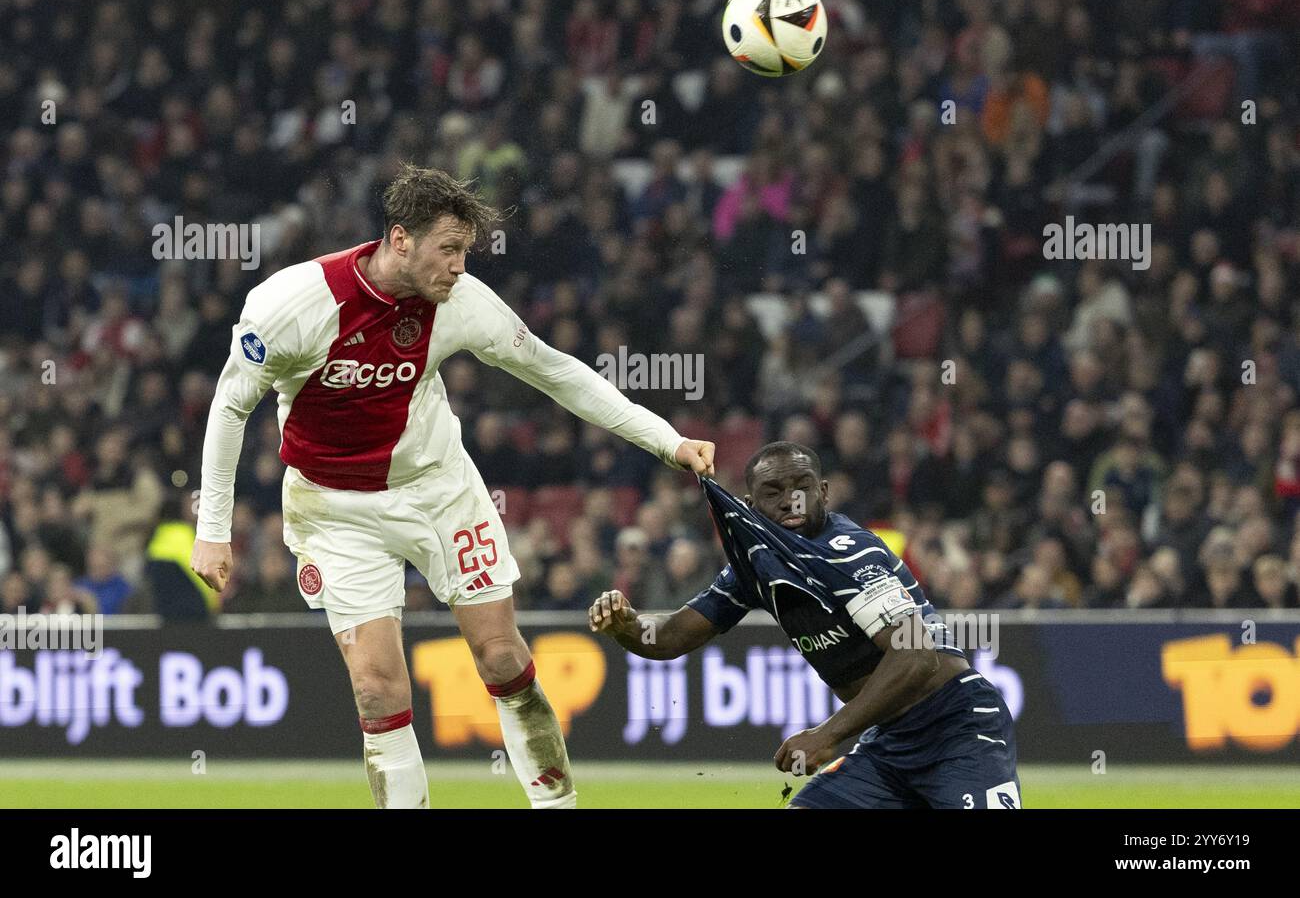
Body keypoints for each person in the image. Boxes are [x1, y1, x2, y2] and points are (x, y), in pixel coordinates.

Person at [191, 165, 715, 809]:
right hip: (333, 510)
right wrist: (213, 531)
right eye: (450, 249)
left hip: (439, 490)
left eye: (467, 251)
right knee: (378, 692)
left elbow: (555, 371)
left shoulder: (460, 302)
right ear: (400, 238)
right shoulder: (294, 304)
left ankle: (559, 806)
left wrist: (667, 440)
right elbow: (228, 408)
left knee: (500, 657)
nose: (461, 266)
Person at [590, 441, 1019, 809]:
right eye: (773, 492)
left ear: (825, 493)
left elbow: (916, 656)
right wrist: (626, 625)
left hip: (957, 725)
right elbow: (670, 638)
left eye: (802, 488)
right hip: (890, 740)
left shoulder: (848, 551)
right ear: (749, 505)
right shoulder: (755, 569)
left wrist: (825, 735)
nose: (791, 500)